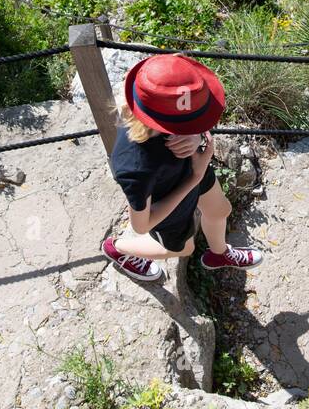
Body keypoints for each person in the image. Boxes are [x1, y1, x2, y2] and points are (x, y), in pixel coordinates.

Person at [100, 52, 265, 283]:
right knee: (182, 248)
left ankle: (219, 254)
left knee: (219, 211)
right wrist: (194, 178)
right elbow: (141, 224)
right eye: (189, 123)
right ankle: (117, 248)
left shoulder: (156, 99)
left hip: (191, 167)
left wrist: (197, 136)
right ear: (168, 123)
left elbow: (193, 119)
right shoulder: (135, 167)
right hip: (168, 199)